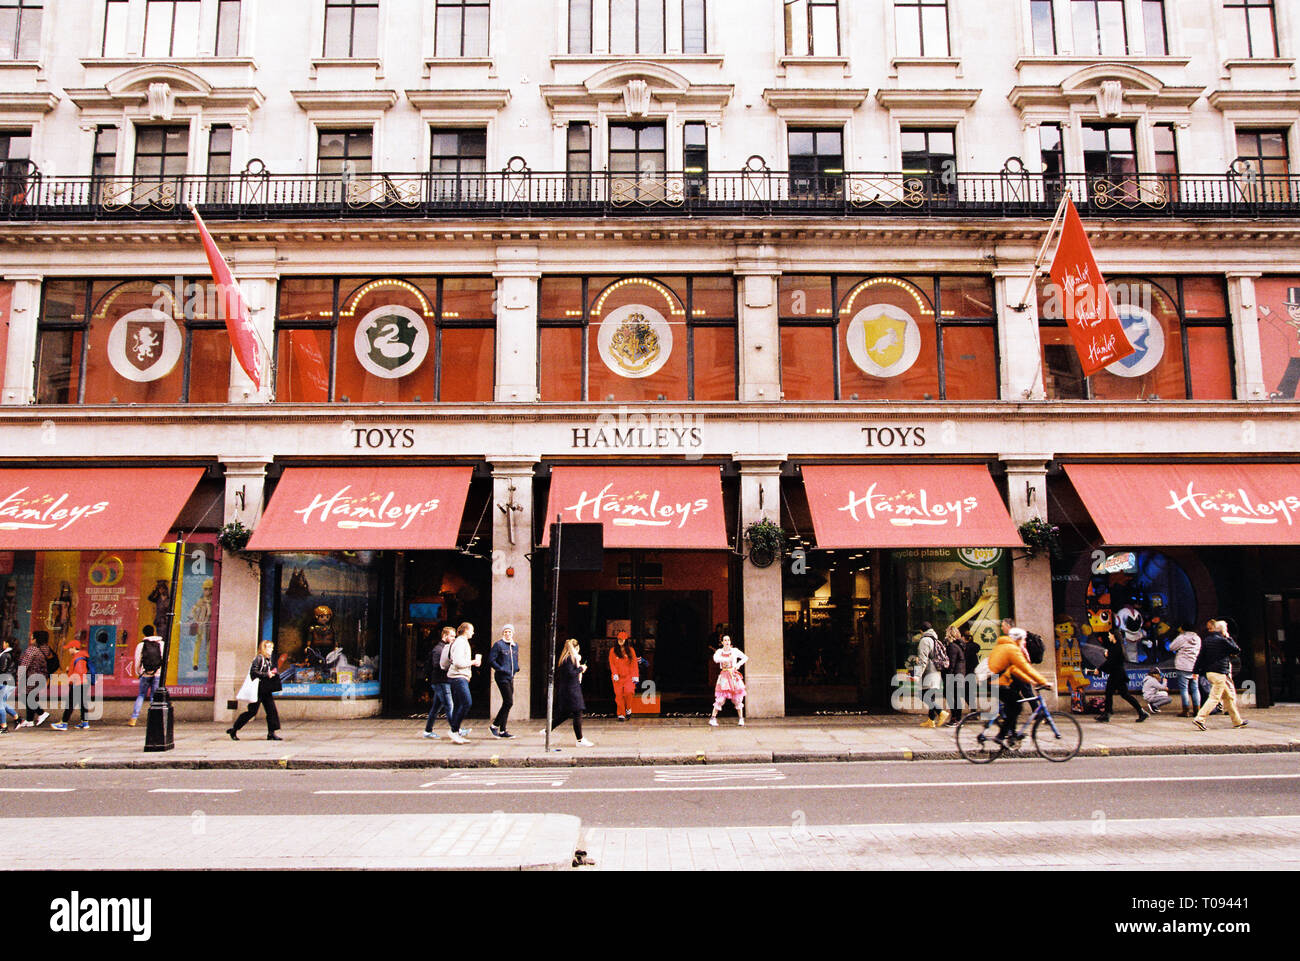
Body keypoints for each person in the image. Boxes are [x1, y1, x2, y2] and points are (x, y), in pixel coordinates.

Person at [987, 627, 1051, 746]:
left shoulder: (1004, 645)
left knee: (1013, 706)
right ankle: (1001, 736)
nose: (1025, 642)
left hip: (997, 682)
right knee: (1017, 706)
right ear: (1019, 639)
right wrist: (1043, 681)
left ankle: (1012, 734)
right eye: (1023, 640)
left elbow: (1015, 670)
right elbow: (1025, 667)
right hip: (999, 683)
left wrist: (1032, 681)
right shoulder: (1012, 649)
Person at [1193, 620, 1247, 731]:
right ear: (1223, 630)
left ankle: (1237, 721)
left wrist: (1195, 671)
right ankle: (1200, 718)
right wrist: (1228, 637)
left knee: (1228, 698)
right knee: (1214, 698)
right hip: (1220, 673)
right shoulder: (1223, 640)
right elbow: (1236, 650)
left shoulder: (1207, 640)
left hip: (1210, 673)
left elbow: (1201, 656)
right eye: (1225, 629)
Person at [227, 640, 282, 741]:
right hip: (258, 689)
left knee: (271, 710)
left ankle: (271, 733)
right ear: (264, 648)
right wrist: (267, 674)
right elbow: (254, 672)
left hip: (266, 689)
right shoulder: (259, 658)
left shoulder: (268, 659)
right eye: (270, 647)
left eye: (272, 647)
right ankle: (234, 729)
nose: (272, 649)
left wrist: (271, 673)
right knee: (252, 712)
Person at [546, 638, 593, 746]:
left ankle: (547, 729)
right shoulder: (568, 659)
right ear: (575, 648)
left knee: (565, 714)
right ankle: (580, 740)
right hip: (571, 690)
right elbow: (571, 674)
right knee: (577, 712)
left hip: (571, 689)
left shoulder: (570, 659)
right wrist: (581, 668)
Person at [1095, 630, 1149, 723]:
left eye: (1110, 634)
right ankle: (1141, 712)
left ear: (1114, 636)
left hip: (1117, 674)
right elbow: (1112, 660)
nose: (1108, 636)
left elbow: (1112, 661)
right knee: (1122, 694)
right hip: (1117, 673)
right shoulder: (1113, 646)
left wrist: (1099, 669)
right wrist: (1107, 656)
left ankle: (1108, 713)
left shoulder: (1117, 647)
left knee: (1111, 693)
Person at [443, 622, 480, 744]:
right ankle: (454, 730)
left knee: (459, 704)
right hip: (458, 677)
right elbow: (458, 662)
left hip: (459, 677)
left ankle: (456, 731)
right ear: (466, 631)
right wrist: (473, 662)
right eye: (472, 630)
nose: (473, 633)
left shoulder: (461, 642)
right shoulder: (460, 642)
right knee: (466, 702)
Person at [51, 637, 92, 731]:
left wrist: (69, 672)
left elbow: (80, 671)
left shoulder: (78, 658)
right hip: (83, 683)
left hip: (77, 683)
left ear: (74, 647)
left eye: (69, 648)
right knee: (83, 703)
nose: (68, 650)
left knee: (70, 704)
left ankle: (63, 723)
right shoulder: (82, 656)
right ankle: (84, 722)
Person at [421, 626, 454, 740]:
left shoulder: (445, 648)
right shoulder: (439, 649)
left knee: (435, 708)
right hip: (441, 681)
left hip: (441, 681)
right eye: (451, 636)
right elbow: (437, 665)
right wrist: (451, 665)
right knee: (449, 705)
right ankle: (456, 729)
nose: (453, 638)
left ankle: (428, 731)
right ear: (444, 636)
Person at [709, 635, 748, 727]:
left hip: (733, 675)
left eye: (728, 640)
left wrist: (737, 665)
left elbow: (745, 657)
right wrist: (726, 659)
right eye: (725, 640)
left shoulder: (734, 651)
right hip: (724, 675)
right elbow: (716, 659)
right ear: (722, 642)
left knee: (737, 698)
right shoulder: (719, 652)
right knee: (720, 698)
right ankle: (713, 718)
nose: (727, 642)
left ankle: (741, 718)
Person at [489, 624, 520, 738]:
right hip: (502, 677)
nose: (507, 634)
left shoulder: (514, 645)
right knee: (509, 702)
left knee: (507, 703)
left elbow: (515, 659)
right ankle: (494, 725)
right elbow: (491, 660)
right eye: (505, 632)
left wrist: (516, 667)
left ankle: (503, 730)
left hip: (510, 676)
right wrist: (501, 668)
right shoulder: (498, 645)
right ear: (503, 633)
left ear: (513, 633)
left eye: (509, 632)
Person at [916, 622, 950, 728]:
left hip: (929, 672)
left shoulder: (924, 640)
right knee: (931, 696)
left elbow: (923, 660)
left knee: (922, 695)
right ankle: (931, 721)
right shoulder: (935, 639)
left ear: (921, 631)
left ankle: (941, 712)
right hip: (936, 671)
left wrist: (917, 675)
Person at [16, 630, 51, 728]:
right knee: (30, 697)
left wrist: (19, 677)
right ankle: (30, 720)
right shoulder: (45, 649)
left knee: (27, 697)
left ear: (35, 639)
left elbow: (24, 664)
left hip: (31, 677)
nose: (30, 639)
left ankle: (42, 713)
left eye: (32, 637)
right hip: (41, 678)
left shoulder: (32, 650)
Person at [1168, 623, 1202, 717]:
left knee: (1184, 689)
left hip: (1183, 665)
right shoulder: (1198, 638)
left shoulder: (1182, 637)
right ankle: (1197, 710)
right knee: (1195, 689)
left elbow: (1171, 647)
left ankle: (1185, 710)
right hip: (1194, 666)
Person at [608, 631, 639, 722]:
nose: (620, 641)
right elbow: (612, 663)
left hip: (628, 676)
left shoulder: (630, 650)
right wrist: (615, 673)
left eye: (622, 640)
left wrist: (635, 675)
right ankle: (621, 714)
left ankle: (628, 708)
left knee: (629, 692)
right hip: (617, 678)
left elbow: (634, 664)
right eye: (619, 639)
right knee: (619, 696)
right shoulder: (613, 651)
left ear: (626, 640)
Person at [943, 625, 967, 724]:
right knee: (956, 697)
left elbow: (951, 663)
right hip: (960, 674)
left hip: (954, 675)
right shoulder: (960, 645)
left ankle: (955, 718)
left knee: (950, 695)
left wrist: (948, 676)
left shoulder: (952, 646)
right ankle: (957, 718)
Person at [0, 637, 18, 733]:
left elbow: (2, 669)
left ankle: (4, 727)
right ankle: (17, 718)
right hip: (10, 681)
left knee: (0, 704)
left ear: (7, 644)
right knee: (2, 703)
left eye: (4, 642)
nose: (2, 644)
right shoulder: (13, 654)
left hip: (4, 681)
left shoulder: (5, 655)